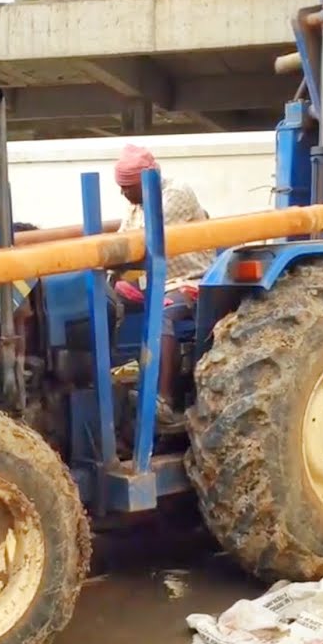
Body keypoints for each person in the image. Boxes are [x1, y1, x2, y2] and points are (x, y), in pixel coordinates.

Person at [111, 144, 212, 430]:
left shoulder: (176, 194)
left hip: (191, 280)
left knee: (163, 312)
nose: (122, 194)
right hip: (155, 280)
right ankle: (121, 373)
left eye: (126, 187)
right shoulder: (136, 205)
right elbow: (121, 241)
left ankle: (164, 399)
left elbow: (144, 238)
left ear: (144, 183)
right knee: (109, 300)